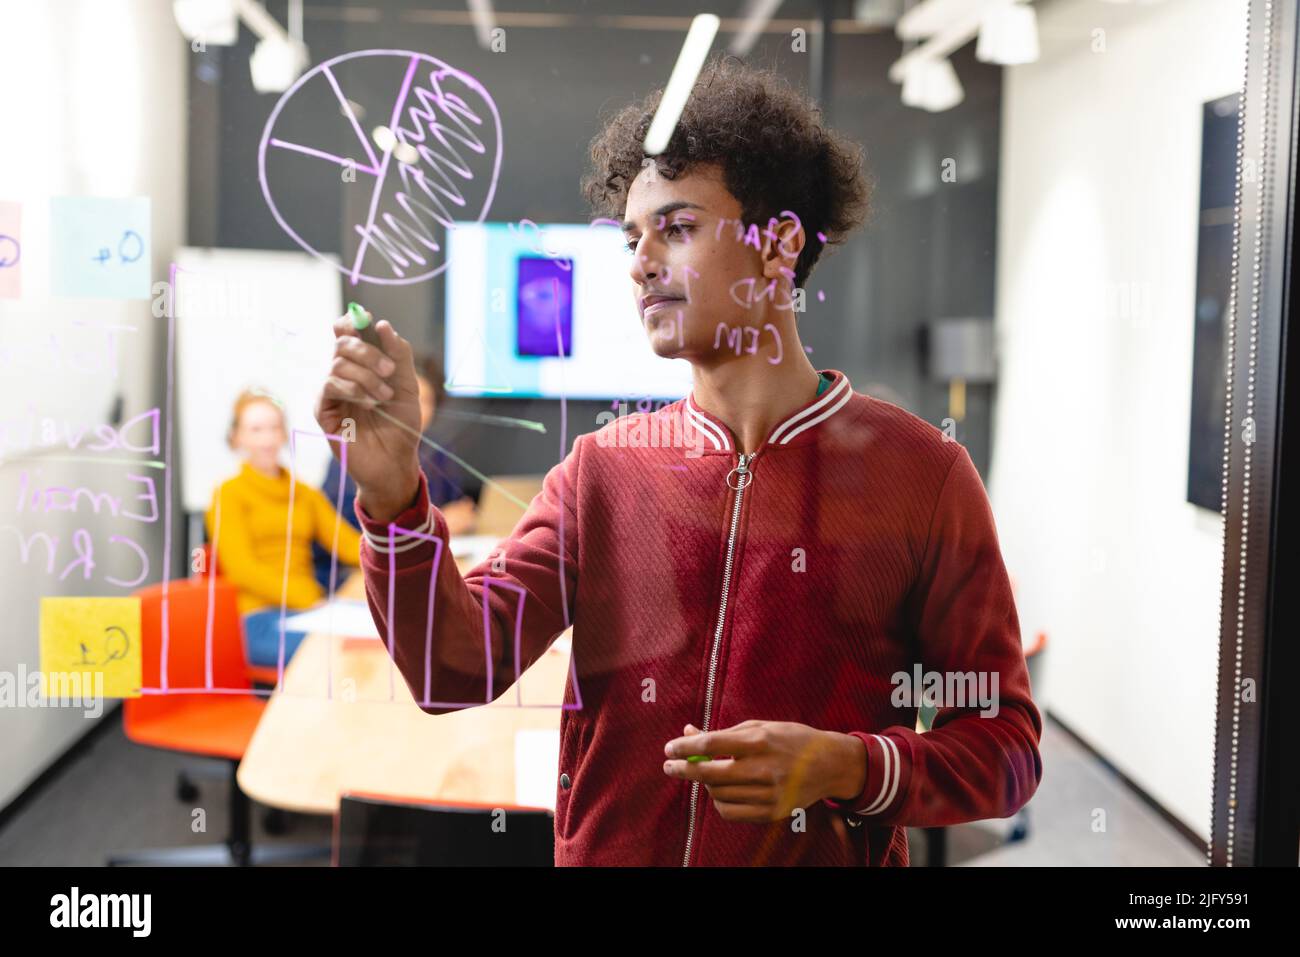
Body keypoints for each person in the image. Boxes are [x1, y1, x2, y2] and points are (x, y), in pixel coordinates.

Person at [315, 55, 1041, 866]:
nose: (639, 261)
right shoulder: (600, 473)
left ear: (779, 244)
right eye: (633, 237)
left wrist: (847, 764)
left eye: (679, 227)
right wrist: (390, 499)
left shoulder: (923, 476)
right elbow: (452, 669)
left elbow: (1006, 749)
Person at [208, 389, 362, 669]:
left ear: (283, 434)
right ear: (237, 437)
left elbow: (350, 545)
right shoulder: (228, 495)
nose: (267, 439)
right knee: (335, 655)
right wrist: (306, 598)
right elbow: (243, 569)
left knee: (382, 636)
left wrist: (400, 557)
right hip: (260, 619)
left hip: (309, 611)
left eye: (274, 428)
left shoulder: (304, 493)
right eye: (256, 430)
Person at [315, 357, 479, 586]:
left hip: (420, 564)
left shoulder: (437, 450)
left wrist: (458, 517)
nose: (417, 411)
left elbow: (458, 508)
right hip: (355, 574)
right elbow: (352, 535)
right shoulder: (354, 453)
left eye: (425, 401)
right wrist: (436, 526)